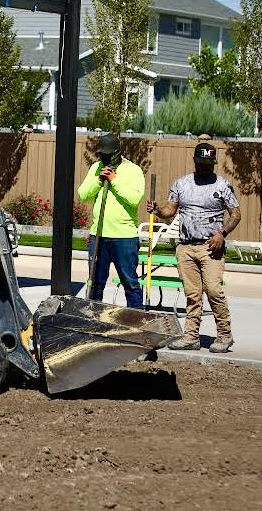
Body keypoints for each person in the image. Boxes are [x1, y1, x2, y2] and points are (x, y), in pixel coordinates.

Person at [146, 142, 241, 353]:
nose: (204, 167)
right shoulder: (182, 184)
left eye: (208, 163)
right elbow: (170, 210)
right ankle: (191, 336)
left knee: (214, 290)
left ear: (213, 163)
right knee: (192, 294)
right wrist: (158, 210)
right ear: (195, 161)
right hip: (186, 247)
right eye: (201, 162)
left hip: (211, 247)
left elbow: (236, 215)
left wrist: (222, 234)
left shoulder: (222, 185)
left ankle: (224, 335)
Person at [77, 135, 145, 307]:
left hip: (124, 237)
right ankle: (93, 318)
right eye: (101, 155)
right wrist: (98, 180)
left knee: (130, 282)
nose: (104, 159)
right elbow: (83, 194)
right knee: (95, 282)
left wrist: (114, 181)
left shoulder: (134, 170)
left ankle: (135, 320)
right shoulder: (96, 168)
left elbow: (134, 199)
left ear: (117, 152)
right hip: (98, 235)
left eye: (108, 155)